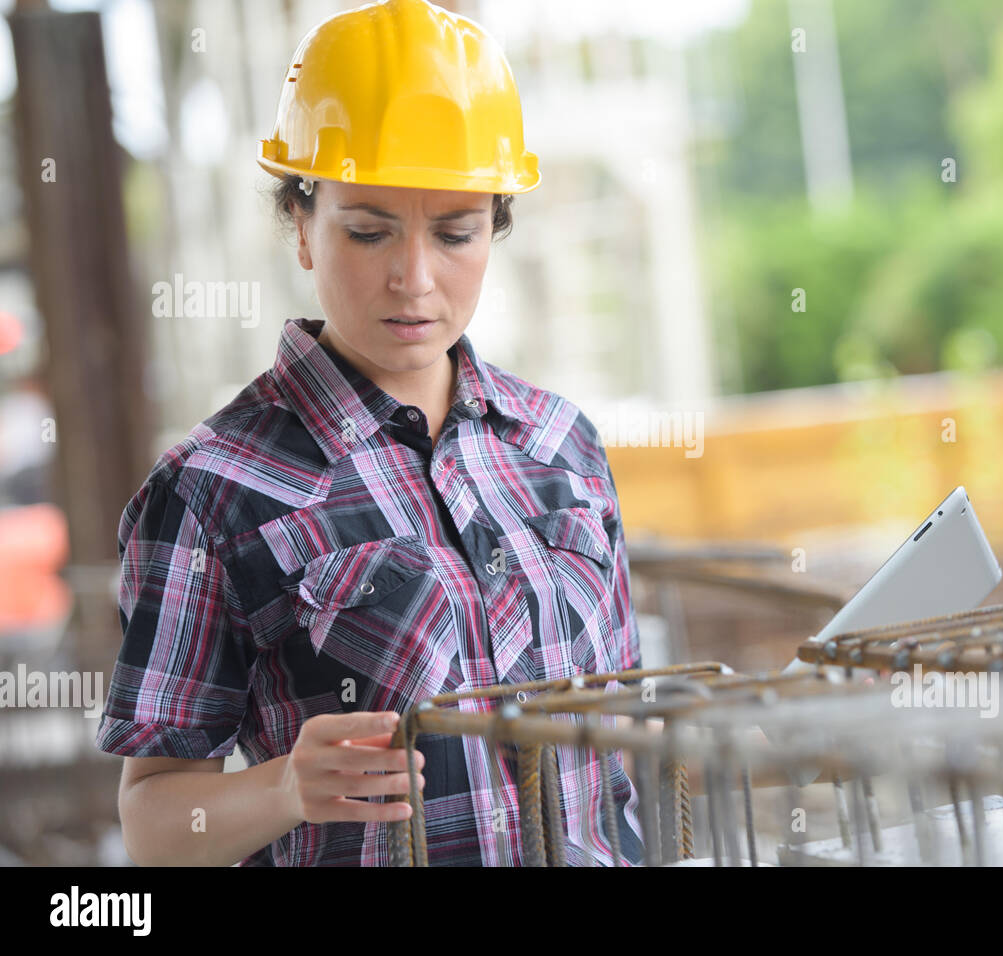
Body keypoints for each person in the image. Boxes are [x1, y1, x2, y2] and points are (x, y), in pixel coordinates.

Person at [94, 0, 644, 866]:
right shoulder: (211, 492)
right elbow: (153, 824)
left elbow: (627, 744)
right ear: (302, 227)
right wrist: (286, 787)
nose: (414, 278)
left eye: (455, 233)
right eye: (367, 231)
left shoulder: (559, 445)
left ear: (494, 228)